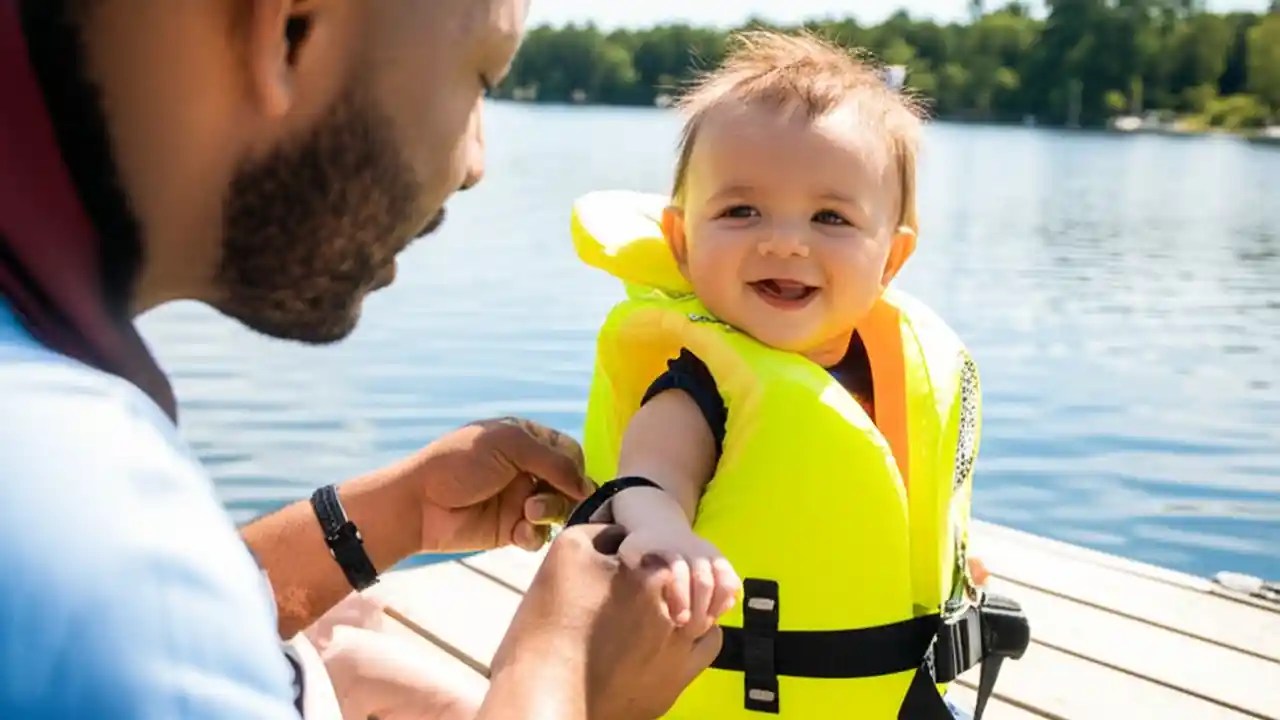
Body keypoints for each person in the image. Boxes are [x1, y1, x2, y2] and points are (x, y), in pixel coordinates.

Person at [0, 1, 720, 718]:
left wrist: (394, 513)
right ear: (290, 29)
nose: (476, 165)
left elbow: (150, 622)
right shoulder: (71, 512)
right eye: (481, 80)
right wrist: (573, 682)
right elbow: (119, 610)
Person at [566, 30, 1027, 719]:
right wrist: (664, 536)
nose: (785, 240)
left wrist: (949, 572)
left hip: (902, 694)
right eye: (741, 210)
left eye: (830, 217)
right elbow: (646, 479)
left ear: (891, 259)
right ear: (682, 241)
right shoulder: (699, 389)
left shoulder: (896, 369)